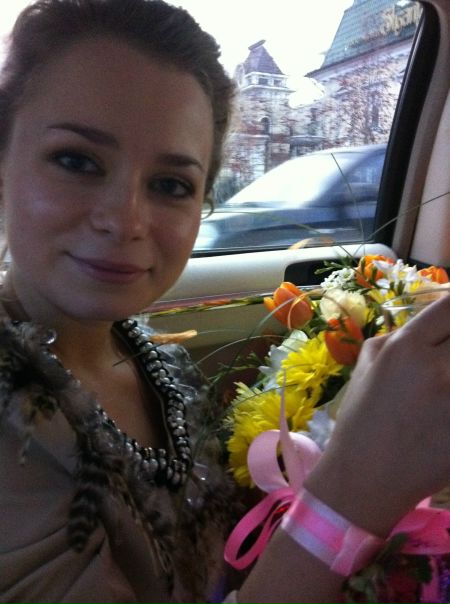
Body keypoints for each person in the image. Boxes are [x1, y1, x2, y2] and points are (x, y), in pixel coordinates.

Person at [0, 0, 449, 603]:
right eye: (76, 161)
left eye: (170, 185)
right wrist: (352, 488)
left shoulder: (150, 356)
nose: (125, 220)